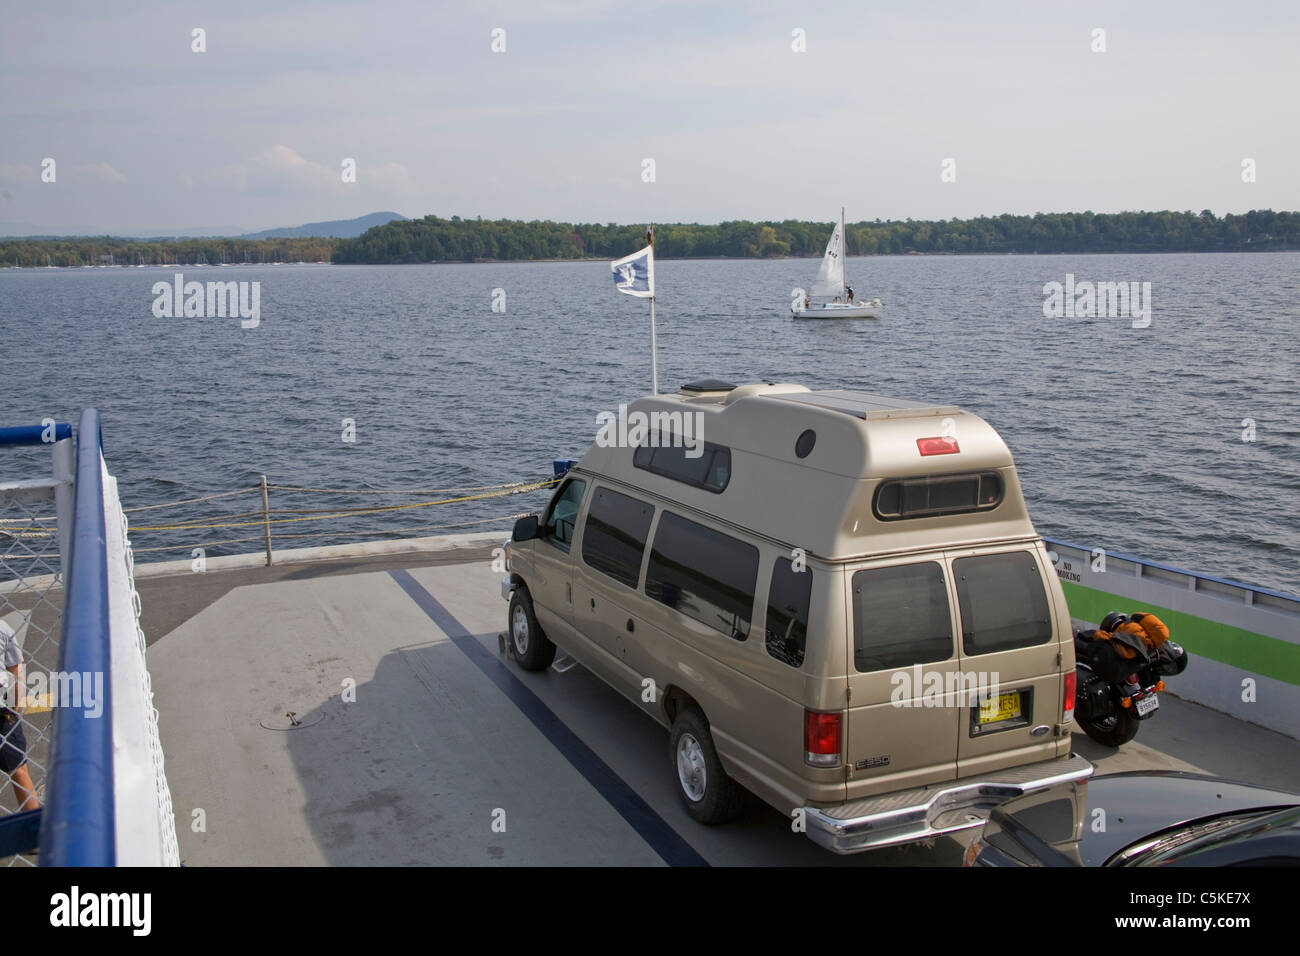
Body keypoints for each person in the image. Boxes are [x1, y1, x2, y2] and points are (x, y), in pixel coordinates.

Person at [1075, 611, 1176, 686]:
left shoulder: (1130, 631)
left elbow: (1115, 642)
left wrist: (1101, 636)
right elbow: (1141, 616)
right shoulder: (1150, 638)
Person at [0, 621, 38, 812]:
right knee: (19, 770)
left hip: (2, 713)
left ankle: (34, 823)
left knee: (18, 770)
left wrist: (16, 703)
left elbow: (14, 666)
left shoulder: (2, 630)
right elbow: (15, 667)